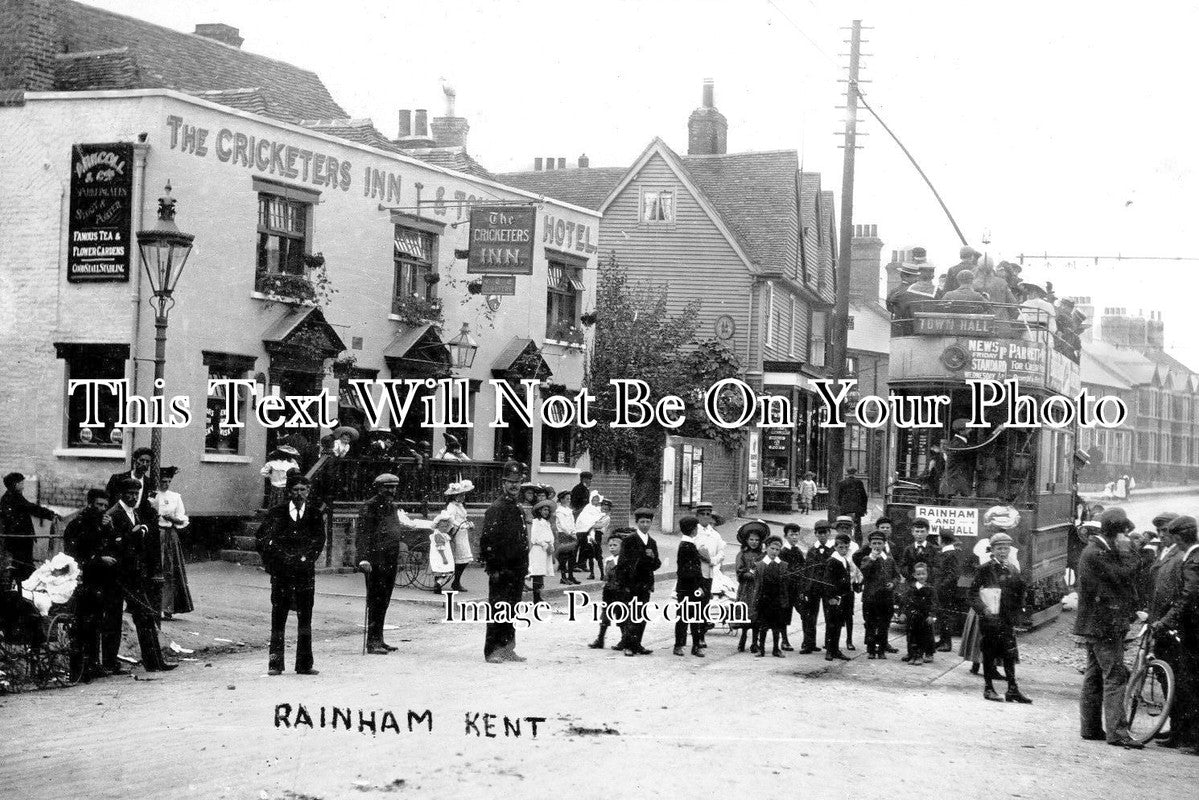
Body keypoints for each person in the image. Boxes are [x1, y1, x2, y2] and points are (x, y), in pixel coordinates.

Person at [1073, 508, 1141, 746]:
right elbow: (1120, 575)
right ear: (1118, 532)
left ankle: (1090, 728)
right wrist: (1133, 556)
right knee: (1114, 676)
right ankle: (1118, 733)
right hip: (1105, 625)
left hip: (1096, 625)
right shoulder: (1098, 553)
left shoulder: (1096, 549)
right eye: (1125, 533)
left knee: (1093, 676)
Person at [256, 475, 324, 676]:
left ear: (308, 491)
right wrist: (277, 558)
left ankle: (304, 664)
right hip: (282, 573)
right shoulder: (276, 513)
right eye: (295, 490)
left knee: (305, 617)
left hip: (304, 573)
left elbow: (319, 540)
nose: (299, 493)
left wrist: (306, 558)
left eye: (303, 489)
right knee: (279, 617)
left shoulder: (314, 514)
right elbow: (262, 538)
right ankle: (275, 664)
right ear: (288, 492)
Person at [105, 477, 175, 672]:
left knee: (144, 616)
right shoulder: (114, 514)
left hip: (134, 574)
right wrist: (134, 534)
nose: (134, 497)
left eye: (136, 494)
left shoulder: (133, 512)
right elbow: (114, 544)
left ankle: (154, 662)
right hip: (120, 575)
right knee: (118, 619)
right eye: (130, 493)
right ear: (122, 494)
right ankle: (113, 664)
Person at [356, 473, 426, 655]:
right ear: (378, 488)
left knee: (384, 600)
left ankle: (379, 639)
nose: (391, 490)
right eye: (387, 487)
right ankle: (372, 642)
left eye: (394, 487)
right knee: (375, 600)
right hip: (375, 560)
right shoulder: (369, 507)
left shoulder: (392, 507)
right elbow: (363, 535)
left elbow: (395, 529)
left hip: (389, 559)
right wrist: (364, 559)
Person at [1153, 515, 1199, 752]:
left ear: (1180, 537)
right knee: (1186, 682)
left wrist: (1165, 621)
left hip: (1193, 632)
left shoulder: (1193, 558)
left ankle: (1194, 739)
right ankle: (1183, 733)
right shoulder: (1191, 555)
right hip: (1189, 630)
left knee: (1192, 684)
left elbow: (1188, 596)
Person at [62, 488, 119, 680]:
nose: (103, 509)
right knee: (81, 626)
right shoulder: (77, 524)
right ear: (90, 504)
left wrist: (109, 529)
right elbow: (75, 553)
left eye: (105, 505)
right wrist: (99, 559)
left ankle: (93, 665)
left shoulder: (103, 522)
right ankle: (79, 670)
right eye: (99, 505)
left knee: (96, 624)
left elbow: (112, 544)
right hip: (83, 580)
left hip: (100, 581)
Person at [970, 531, 1030, 703]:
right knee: (989, 653)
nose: (1003, 552)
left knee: (1009, 653)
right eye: (999, 548)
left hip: (1007, 619)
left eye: (1006, 548)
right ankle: (988, 688)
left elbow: (1020, 592)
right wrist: (983, 609)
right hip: (990, 619)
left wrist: (1018, 612)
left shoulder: (1012, 568)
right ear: (992, 549)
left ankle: (1013, 689)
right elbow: (972, 593)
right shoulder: (985, 569)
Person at [480, 461, 530, 663]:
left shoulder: (517, 507)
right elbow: (487, 540)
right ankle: (492, 650)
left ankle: (508, 648)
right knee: (498, 608)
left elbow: (522, 539)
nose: (514, 486)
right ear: (503, 483)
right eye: (510, 482)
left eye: (517, 482)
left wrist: (524, 567)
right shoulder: (497, 508)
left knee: (512, 609)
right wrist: (493, 567)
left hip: (516, 569)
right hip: (501, 569)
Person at [614, 508, 661, 657]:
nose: (645, 524)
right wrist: (624, 584)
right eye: (642, 522)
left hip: (645, 584)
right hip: (631, 584)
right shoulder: (630, 540)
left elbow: (656, 565)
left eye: (648, 522)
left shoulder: (652, 542)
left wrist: (652, 557)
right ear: (637, 522)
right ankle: (628, 645)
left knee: (641, 615)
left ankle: (637, 644)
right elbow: (622, 563)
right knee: (630, 615)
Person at [1, 472, 59, 582]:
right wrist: (50, 514)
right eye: (22, 483)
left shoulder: (11, 497)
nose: (23, 485)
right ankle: (24, 586)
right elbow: (31, 508)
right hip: (19, 540)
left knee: (21, 565)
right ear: (16, 484)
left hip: (19, 539)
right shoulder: (13, 498)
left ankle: (21, 584)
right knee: (23, 565)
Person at [152, 467, 192, 620]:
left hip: (170, 534)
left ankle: (167, 608)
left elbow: (182, 518)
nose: (166, 484)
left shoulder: (175, 497)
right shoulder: (152, 495)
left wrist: (171, 519)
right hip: (157, 533)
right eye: (163, 481)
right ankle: (154, 606)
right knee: (156, 569)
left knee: (170, 570)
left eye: (169, 481)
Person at [860, 530, 901, 659]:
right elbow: (864, 571)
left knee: (884, 624)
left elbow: (897, 576)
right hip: (871, 598)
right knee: (870, 624)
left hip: (886, 598)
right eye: (874, 543)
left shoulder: (889, 559)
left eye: (880, 543)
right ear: (870, 545)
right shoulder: (867, 559)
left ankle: (882, 650)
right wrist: (872, 559)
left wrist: (893, 584)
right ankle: (871, 650)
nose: (877, 546)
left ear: (884, 544)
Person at [673, 516, 706, 658]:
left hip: (686, 587)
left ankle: (690, 645)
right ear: (693, 530)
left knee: (688, 617)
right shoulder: (688, 546)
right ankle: (683, 645)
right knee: (688, 617)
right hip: (689, 587)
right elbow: (689, 570)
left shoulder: (687, 544)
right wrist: (698, 586)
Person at [694, 502, 725, 648]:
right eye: (703, 514)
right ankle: (696, 635)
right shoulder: (694, 532)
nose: (706, 517)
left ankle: (701, 635)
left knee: (705, 604)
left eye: (708, 514)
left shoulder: (715, 534)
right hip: (696, 573)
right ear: (698, 516)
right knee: (695, 604)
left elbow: (721, 553)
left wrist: (712, 560)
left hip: (710, 573)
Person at [753, 535, 790, 658]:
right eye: (772, 548)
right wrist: (756, 601)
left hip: (777, 600)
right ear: (766, 548)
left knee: (777, 626)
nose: (774, 552)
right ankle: (761, 649)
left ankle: (776, 649)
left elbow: (785, 586)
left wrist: (784, 601)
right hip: (764, 600)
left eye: (777, 550)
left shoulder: (784, 565)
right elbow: (757, 585)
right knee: (763, 626)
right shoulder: (760, 565)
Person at [800, 520, 834, 653]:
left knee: (829, 616)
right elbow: (807, 570)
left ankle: (830, 645)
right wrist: (805, 588)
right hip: (813, 587)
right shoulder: (811, 551)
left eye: (824, 533)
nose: (822, 536)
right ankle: (809, 644)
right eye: (819, 533)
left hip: (827, 588)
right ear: (815, 534)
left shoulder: (833, 550)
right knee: (810, 617)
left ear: (829, 533)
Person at [589, 530, 626, 650]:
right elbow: (606, 576)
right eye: (610, 545)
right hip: (609, 592)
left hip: (621, 592)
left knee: (621, 616)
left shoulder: (625, 560)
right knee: (605, 616)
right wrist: (604, 583)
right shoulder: (608, 560)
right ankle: (600, 639)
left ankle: (624, 640)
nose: (612, 548)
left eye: (615, 545)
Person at [734, 521, 766, 653]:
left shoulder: (762, 555)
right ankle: (743, 638)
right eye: (751, 539)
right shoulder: (742, 555)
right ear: (746, 540)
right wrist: (749, 574)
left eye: (757, 540)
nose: (754, 542)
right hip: (746, 588)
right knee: (746, 613)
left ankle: (754, 642)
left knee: (757, 614)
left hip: (758, 588)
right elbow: (739, 571)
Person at [822, 532, 855, 661]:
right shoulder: (832, 561)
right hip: (833, 598)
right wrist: (831, 597)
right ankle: (830, 650)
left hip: (842, 597)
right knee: (831, 624)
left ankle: (835, 650)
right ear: (835, 547)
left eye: (846, 547)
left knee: (838, 624)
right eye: (841, 547)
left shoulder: (844, 560)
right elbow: (827, 581)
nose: (844, 550)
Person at [833, 515, 861, 650]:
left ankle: (849, 640)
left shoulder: (854, 546)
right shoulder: (833, 545)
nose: (844, 531)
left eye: (847, 528)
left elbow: (857, 566)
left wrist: (858, 581)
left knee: (849, 614)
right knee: (834, 615)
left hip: (849, 584)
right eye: (841, 528)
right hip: (836, 584)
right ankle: (832, 641)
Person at [442, 480, 475, 592]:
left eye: (464, 494)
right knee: (460, 558)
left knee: (465, 558)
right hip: (456, 533)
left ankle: (457, 581)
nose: (463, 496)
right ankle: (455, 582)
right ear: (455, 496)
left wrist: (468, 524)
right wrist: (460, 525)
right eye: (461, 495)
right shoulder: (451, 506)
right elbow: (450, 519)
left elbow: (463, 518)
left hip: (462, 533)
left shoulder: (460, 505)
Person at [105, 447, 158, 516]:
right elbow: (108, 499)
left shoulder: (150, 483)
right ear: (135, 460)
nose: (144, 464)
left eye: (147, 461)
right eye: (142, 460)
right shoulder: (118, 479)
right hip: (118, 517)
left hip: (138, 519)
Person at [904, 562, 938, 664]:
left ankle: (926, 654)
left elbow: (935, 603)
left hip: (925, 616)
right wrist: (904, 613)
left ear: (927, 574)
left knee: (926, 635)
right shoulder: (911, 588)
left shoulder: (930, 589)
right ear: (914, 575)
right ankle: (912, 654)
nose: (921, 576)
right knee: (912, 635)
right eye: (918, 574)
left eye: (923, 574)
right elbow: (905, 601)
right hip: (913, 616)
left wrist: (932, 615)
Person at [778, 523, 805, 651]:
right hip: (786, 588)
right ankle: (784, 640)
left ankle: (807, 641)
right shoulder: (782, 552)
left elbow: (803, 567)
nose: (794, 537)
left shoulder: (798, 551)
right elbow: (782, 570)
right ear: (785, 536)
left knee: (805, 612)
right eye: (791, 535)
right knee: (784, 613)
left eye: (796, 534)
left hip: (797, 588)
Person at [935, 530, 961, 652]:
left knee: (945, 616)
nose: (937, 540)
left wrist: (941, 586)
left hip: (946, 591)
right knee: (941, 616)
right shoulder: (947, 553)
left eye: (939, 538)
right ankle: (942, 640)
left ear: (943, 539)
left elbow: (953, 575)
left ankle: (947, 643)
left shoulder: (950, 554)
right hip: (943, 590)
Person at [526, 500, 555, 604]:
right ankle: (536, 598)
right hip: (539, 550)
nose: (546, 512)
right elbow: (535, 537)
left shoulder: (546, 523)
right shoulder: (536, 522)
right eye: (544, 510)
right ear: (539, 511)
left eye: (548, 510)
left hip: (546, 550)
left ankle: (539, 596)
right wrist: (544, 544)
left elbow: (550, 536)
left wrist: (551, 544)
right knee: (537, 573)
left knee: (541, 574)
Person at [900, 517, 938, 582]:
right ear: (912, 532)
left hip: (928, 583)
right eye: (917, 531)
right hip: (912, 583)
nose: (919, 534)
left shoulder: (933, 549)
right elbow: (903, 567)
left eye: (922, 531)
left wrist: (925, 575)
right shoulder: (908, 549)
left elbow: (937, 567)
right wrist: (912, 574)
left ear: (927, 532)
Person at [835, 468, 868, 539]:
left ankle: (844, 538)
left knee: (844, 525)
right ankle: (858, 542)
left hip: (845, 508)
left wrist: (841, 506)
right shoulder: (859, 482)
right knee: (857, 526)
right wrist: (864, 508)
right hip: (856, 508)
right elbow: (864, 496)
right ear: (855, 473)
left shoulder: (842, 482)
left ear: (847, 473)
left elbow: (839, 496)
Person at [552, 490, 577, 585]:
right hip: (564, 535)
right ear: (561, 499)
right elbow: (562, 525)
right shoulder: (559, 511)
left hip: (571, 534)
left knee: (572, 556)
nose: (569, 500)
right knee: (564, 557)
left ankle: (571, 576)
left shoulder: (568, 510)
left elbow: (572, 522)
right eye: (567, 499)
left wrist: (574, 531)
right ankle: (563, 577)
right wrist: (570, 533)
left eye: (569, 499)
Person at [428, 512, 456, 594]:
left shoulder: (443, 534)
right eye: (442, 526)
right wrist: (444, 558)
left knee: (443, 572)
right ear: (438, 526)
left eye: (446, 526)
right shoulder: (438, 535)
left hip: (444, 554)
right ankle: (438, 585)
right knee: (442, 571)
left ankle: (438, 585)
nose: (444, 528)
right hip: (440, 556)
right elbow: (440, 548)